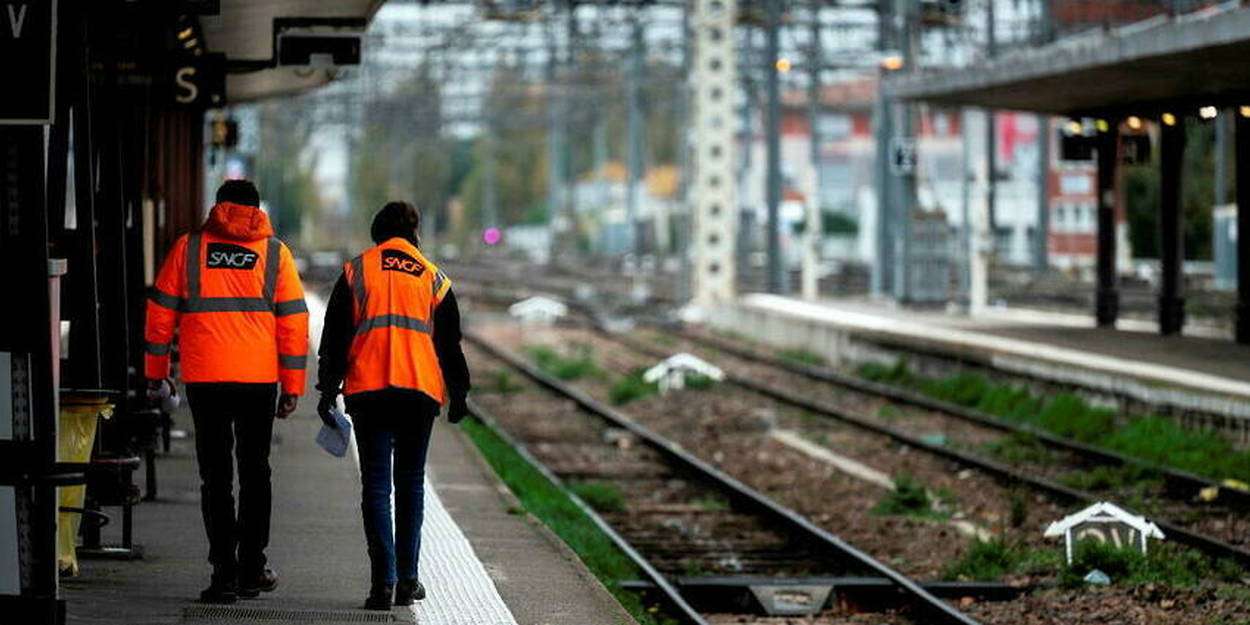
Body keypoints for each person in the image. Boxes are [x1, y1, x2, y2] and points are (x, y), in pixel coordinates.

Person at [144, 180, 309, 604]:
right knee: (256, 473)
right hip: (257, 381)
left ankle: (223, 574)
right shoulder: (275, 253)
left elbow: (160, 313)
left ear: (218, 207)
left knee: (215, 476)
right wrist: (292, 385)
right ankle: (252, 570)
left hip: (205, 378)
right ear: (258, 209)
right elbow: (293, 322)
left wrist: (157, 372)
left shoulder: (190, 247)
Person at [317, 201, 470, 610]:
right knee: (410, 485)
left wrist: (326, 389)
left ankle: (382, 583)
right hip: (418, 393)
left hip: (368, 390)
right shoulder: (434, 279)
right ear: (414, 233)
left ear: (378, 232)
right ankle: (408, 580)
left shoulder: (357, 271)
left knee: (377, 486)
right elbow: (450, 345)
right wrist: (460, 393)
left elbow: (334, 338)